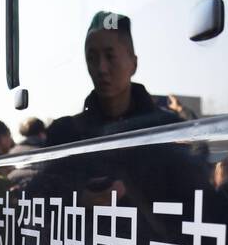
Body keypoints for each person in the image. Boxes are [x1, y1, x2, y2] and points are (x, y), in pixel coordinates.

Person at [46, 12, 180, 146]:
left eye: (110, 56)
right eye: (92, 58)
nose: (101, 68)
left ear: (133, 64)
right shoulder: (65, 134)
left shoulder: (169, 131)